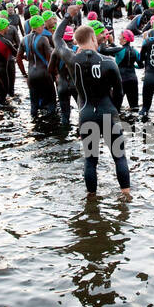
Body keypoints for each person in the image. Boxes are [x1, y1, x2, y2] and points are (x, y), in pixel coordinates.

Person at [55, 15, 132, 195]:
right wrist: (114, 111)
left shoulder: (72, 60)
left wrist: (67, 16)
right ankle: (126, 196)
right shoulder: (108, 62)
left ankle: (91, 200)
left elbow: (57, 39)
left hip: (86, 114)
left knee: (90, 160)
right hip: (108, 113)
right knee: (119, 157)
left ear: (76, 40)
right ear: (92, 38)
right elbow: (120, 92)